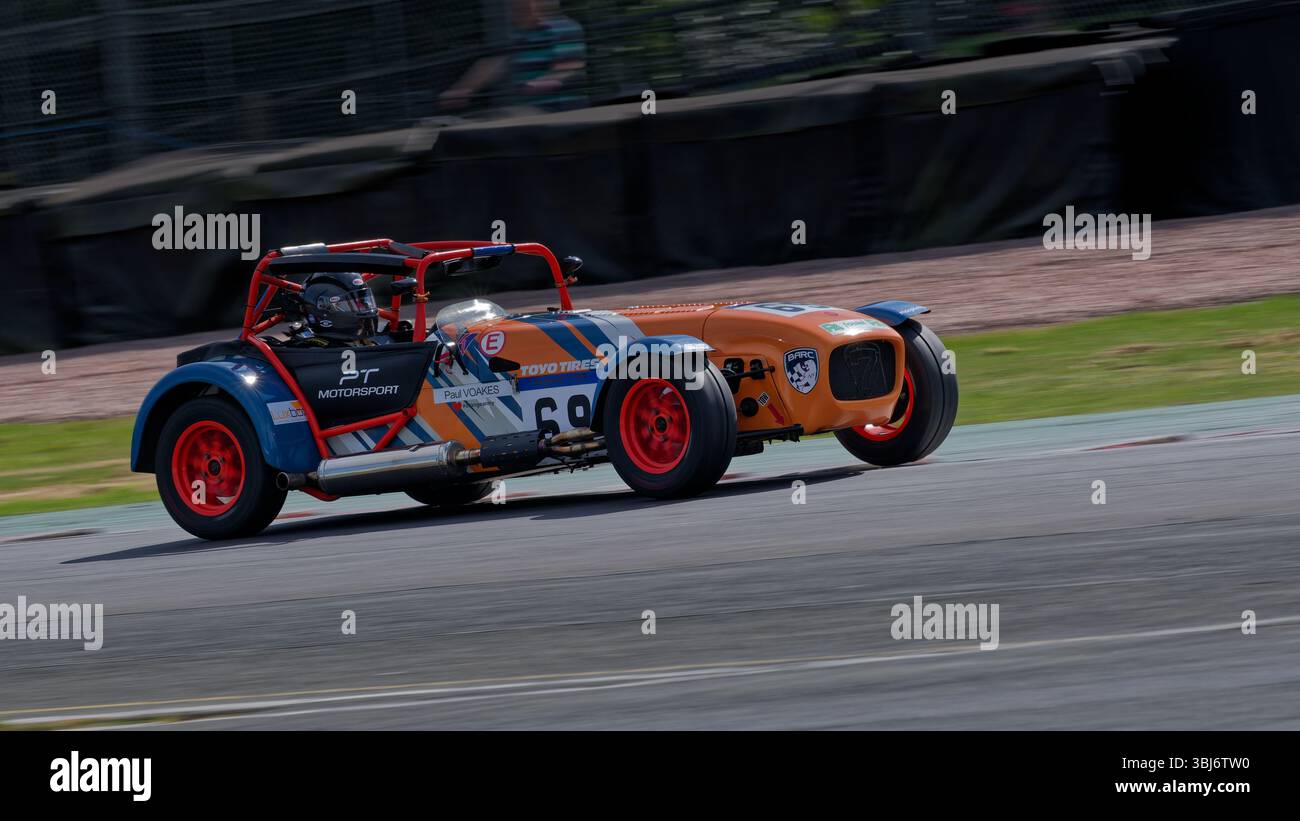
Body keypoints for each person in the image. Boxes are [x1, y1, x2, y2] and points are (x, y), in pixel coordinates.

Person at [439, 0, 587, 113]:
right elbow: (495, 63)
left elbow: (567, 67)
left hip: (562, 114)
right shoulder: (512, 35)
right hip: (528, 114)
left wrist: (543, 83)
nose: (515, 7)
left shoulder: (565, 28)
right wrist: (464, 89)